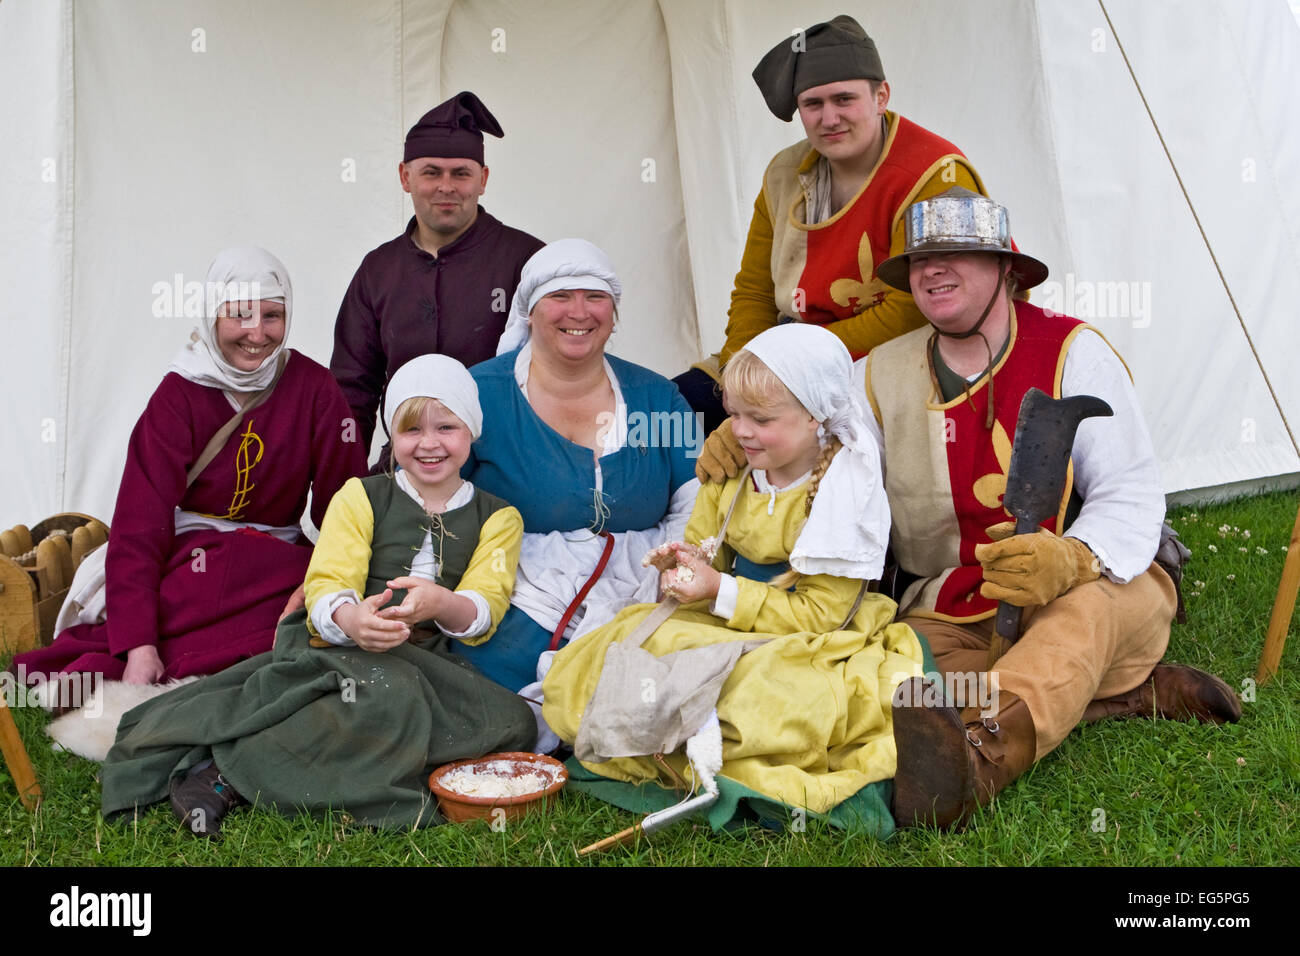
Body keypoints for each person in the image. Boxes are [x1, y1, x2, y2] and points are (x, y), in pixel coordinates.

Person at [696, 187, 1241, 830]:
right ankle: (1119, 696)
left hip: (1093, 589)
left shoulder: (1075, 351)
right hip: (948, 602)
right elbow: (813, 430)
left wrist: (1071, 557)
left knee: (1075, 626)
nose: (933, 270)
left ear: (1008, 271)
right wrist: (752, 430)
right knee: (890, 682)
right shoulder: (873, 375)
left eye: (961, 254)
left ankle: (979, 760)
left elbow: (1130, 492)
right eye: (920, 262)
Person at [101, 355, 535, 835]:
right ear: (392, 436)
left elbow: (483, 605)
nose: (429, 444)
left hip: (425, 656)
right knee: (388, 697)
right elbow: (329, 580)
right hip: (335, 641)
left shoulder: (499, 518)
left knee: (512, 721)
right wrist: (353, 620)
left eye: (446, 427)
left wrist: (439, 604)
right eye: (411, 430)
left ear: (471, 430)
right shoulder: (362, 496)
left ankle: (342, 766)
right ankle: (224, 777)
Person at [543, 324, 924, 819]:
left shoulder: (840, 489)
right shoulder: (735, 470)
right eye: (735, 414)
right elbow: (708, 549)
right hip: (724, 617)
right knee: (618, 649)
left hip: (809, 637)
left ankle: (696, 753)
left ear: (815, 417)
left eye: (761, 418)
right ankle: (670, 745)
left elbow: (823, 615)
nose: (740, 430)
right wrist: (684, 567)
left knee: (763, 694)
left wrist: (720, 589)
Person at [14, 245, 365, 686]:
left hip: (274, 562)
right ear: (212, 314)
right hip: (194, 555)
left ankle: (216, 664)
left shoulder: (315, 389)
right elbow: (140, 525)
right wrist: (139, 645)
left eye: (272, 316)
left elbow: (346, 506)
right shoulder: (177, 397)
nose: (257, 333)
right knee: (192, 593)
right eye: (240, 315)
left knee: (301, 593)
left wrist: (328, 583)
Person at [674, 13, 993, 431]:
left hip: (897, 359)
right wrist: (742, 375)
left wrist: (791, 363)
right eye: (813, 104)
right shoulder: (784, 173)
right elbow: (755, 291)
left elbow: (913, 310)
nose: (829, 119)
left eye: (844, 99)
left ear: (881, 97)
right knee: (669, 419)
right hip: (785, 356)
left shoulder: (932, 173)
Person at [452, 239, 700, 698]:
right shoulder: (479, 392)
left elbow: (695, 499)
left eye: (595, 297)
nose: (579, 312)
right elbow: (436, 496)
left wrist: (675, 574)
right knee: (485, 693)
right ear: (529, 310)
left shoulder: (655, 396)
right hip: (521, 593)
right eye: (560, 297)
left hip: (646, 590)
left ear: (614, 310)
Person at [331, 90, 545, 459]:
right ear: (405, 177)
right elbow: (351, 392)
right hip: (407, 469)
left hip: (508, 468)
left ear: (483, 179)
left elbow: (563, 379)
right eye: (431, 173)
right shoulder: (378, 269)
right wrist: (345, 490)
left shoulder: (527, 261)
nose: (446, 187)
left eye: (461, 173)